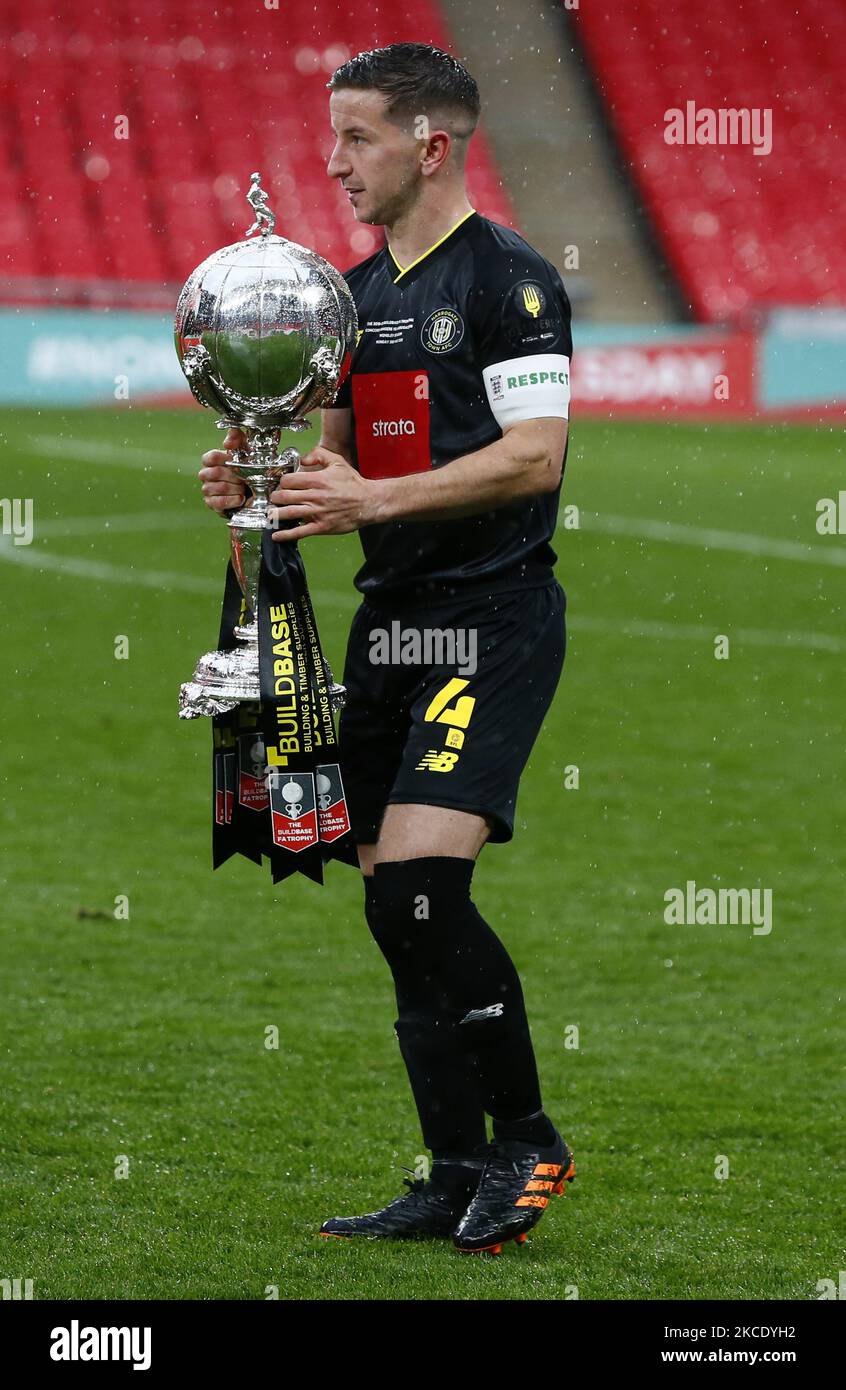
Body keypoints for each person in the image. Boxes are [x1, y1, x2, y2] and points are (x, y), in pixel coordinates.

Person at [199, 42, 575, 1256]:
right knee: (391, 908)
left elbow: (535, 456)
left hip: (491, 618)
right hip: (391, 629)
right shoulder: (353, 302)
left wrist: (370, 503)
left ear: (431, 144)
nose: (334, 160)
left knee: (421, 885)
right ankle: (451, 1167)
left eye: (357, 136)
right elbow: (340, 467)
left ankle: (529, 1140)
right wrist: (261, 481)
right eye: (332, 136)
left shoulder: (512, 280)